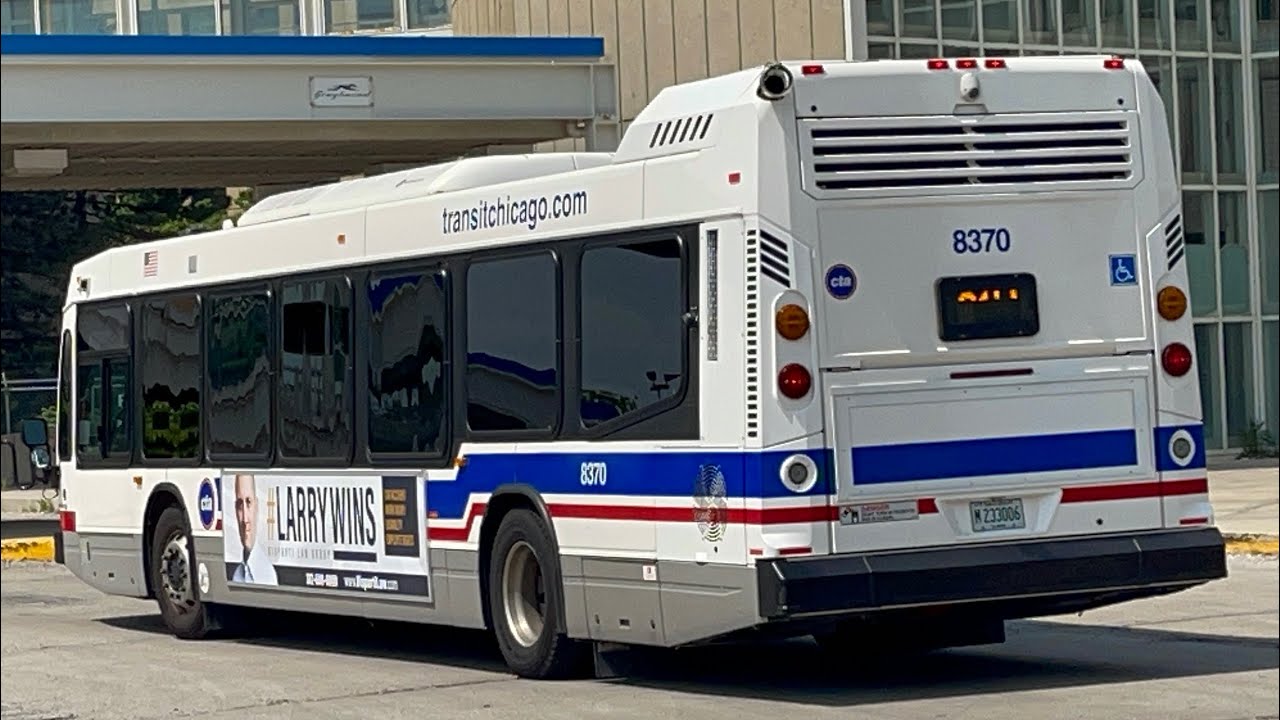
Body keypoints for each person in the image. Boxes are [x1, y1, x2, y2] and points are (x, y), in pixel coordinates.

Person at [230, 473, 277, 584]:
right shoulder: (238, 573)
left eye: (249, 503)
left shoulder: (266, 575)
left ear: (257, 506)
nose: (245, 519)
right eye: (240, 505)